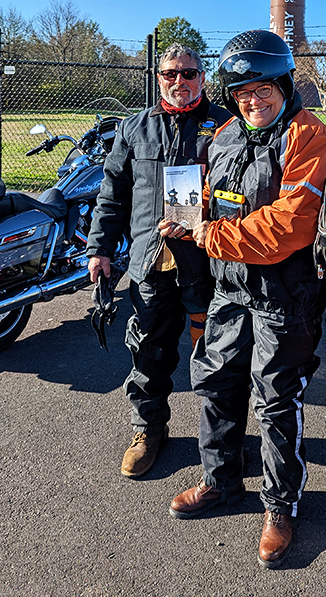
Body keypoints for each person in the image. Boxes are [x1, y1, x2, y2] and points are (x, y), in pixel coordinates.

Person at [167, 30, 326, 569]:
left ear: (284, 85)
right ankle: (221, 482)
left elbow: (288, 227)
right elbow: (203, 197)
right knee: (216, 386)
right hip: (229, 290)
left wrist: (207, 236)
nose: (253, 99)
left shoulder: (310, 138)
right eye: (242, 90)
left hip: (285, 297)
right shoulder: (223, 134)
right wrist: (182, 218)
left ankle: (280, 506)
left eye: (263, 87)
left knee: (275, 402)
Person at [86, 43, 230, 478]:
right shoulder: (134, 129)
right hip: (151, 261)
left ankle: (223, 438)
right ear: (158, 77)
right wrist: (101, 249)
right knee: (148, 347)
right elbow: (112, 195)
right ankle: (148, 428)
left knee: (217, 352)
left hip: (206, 259)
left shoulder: (226, 125)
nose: (179, 81)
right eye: (170, 74)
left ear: (202, 78)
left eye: (188, 73)